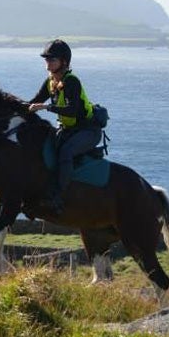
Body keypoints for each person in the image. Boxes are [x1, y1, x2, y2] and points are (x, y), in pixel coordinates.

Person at [27, 39, 103, 213]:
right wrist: (12, 106)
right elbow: (35, 101)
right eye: (46, 59)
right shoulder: (50, 81)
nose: (48, 62)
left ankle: (59, 196)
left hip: (88, 131)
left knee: (66, 151)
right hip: (69, 130)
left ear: (64, 62)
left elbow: (71, 111)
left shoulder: (71, 82)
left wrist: (46, 107)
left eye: (52, 59)